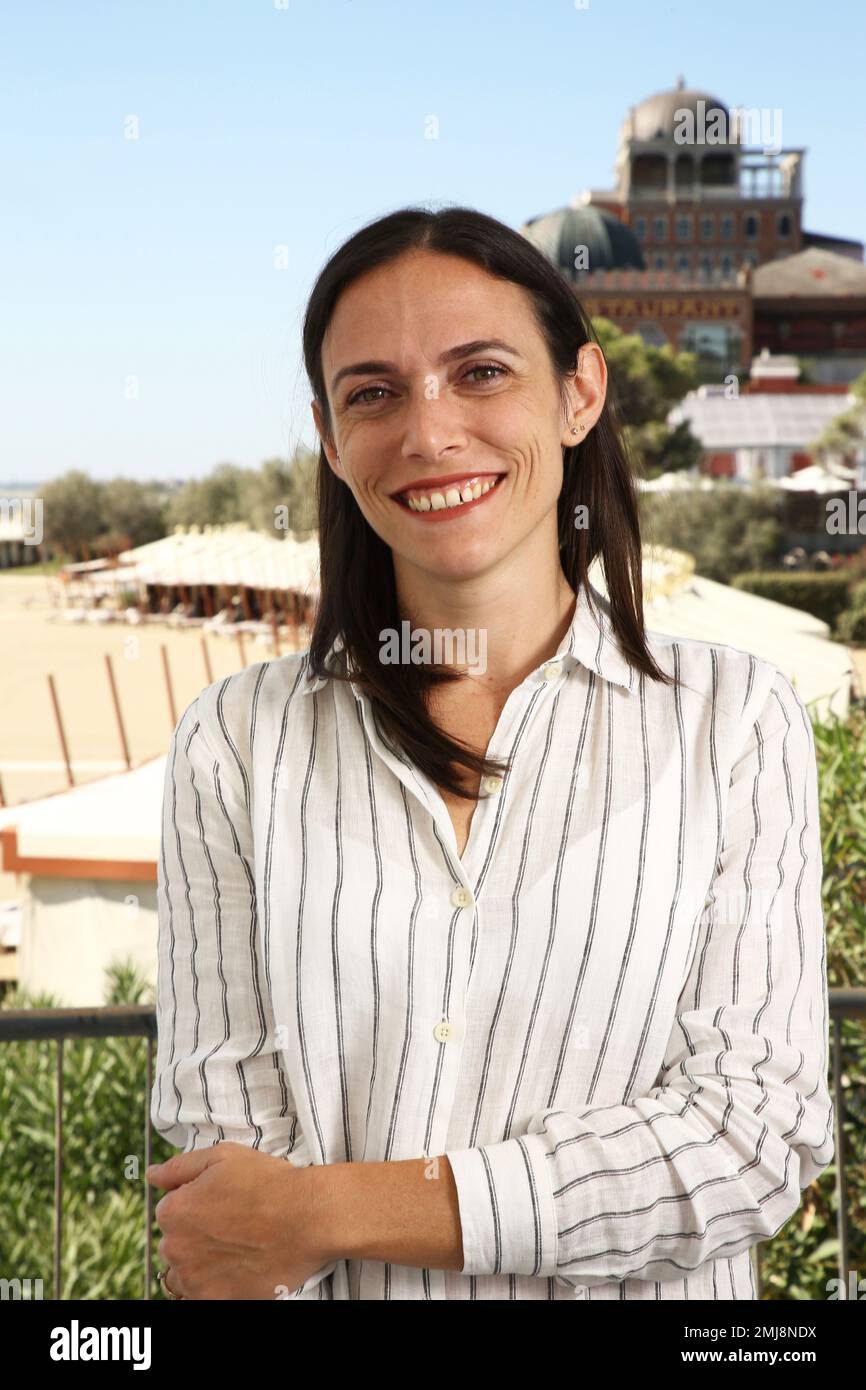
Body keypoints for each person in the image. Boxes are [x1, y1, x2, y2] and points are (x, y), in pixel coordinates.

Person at [147, 205, 834, 1301]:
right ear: (331, 441)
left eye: (478, 373)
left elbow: (746, 1140)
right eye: (371, 392)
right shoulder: (236, 743)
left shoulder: (734, 721)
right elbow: (229, 1201)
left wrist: (328, 1208)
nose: (427, 434)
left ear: (578, 394)